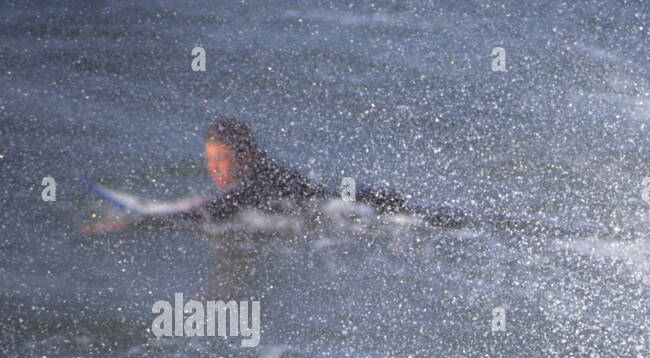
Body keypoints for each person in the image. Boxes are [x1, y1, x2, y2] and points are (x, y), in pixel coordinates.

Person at [85, 117, 469, 230]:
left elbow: (215, 212)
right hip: (358, 202)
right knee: (447, 220)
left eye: (222, 160)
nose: (214, 169)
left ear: (246, 156)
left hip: (361, 206)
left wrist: (142, 222)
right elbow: (219, 205)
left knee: (441, 223)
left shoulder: (258, 182)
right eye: (210, 161)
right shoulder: (263, 175)